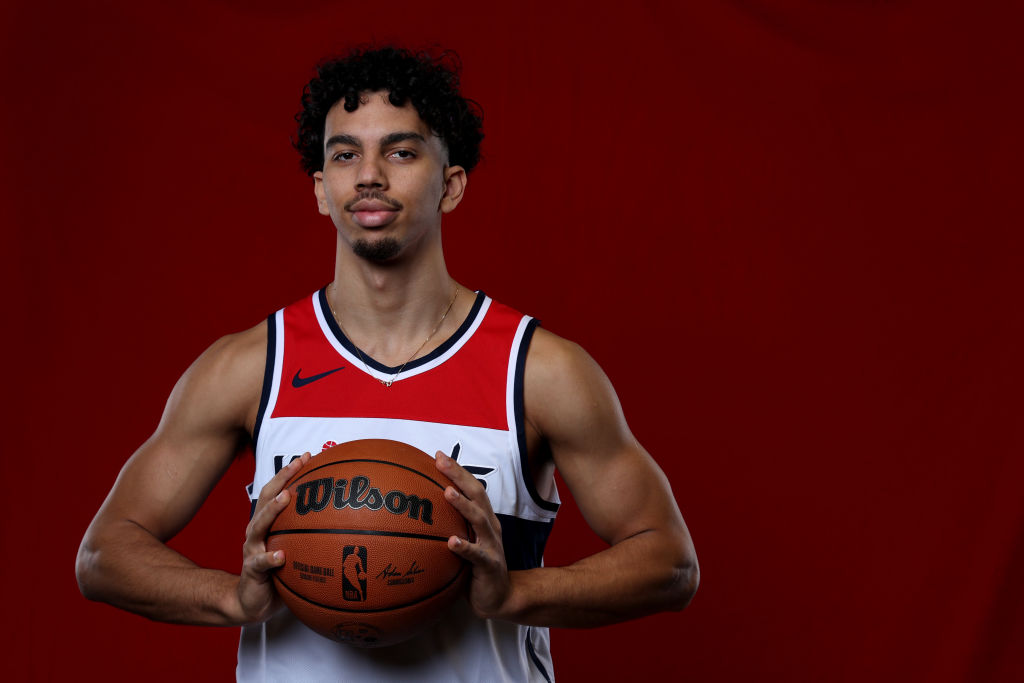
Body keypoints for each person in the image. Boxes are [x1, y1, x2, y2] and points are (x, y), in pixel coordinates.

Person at [76, 46, 699, 681]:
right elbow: (104, 554)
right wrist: (230, 598)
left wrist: (514, 595)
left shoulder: (538, 370)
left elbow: (670, 564)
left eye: (401, 152)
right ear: (322, 190)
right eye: (345, 155)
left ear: (450, 185)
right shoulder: (249, 366)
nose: (369, 174)